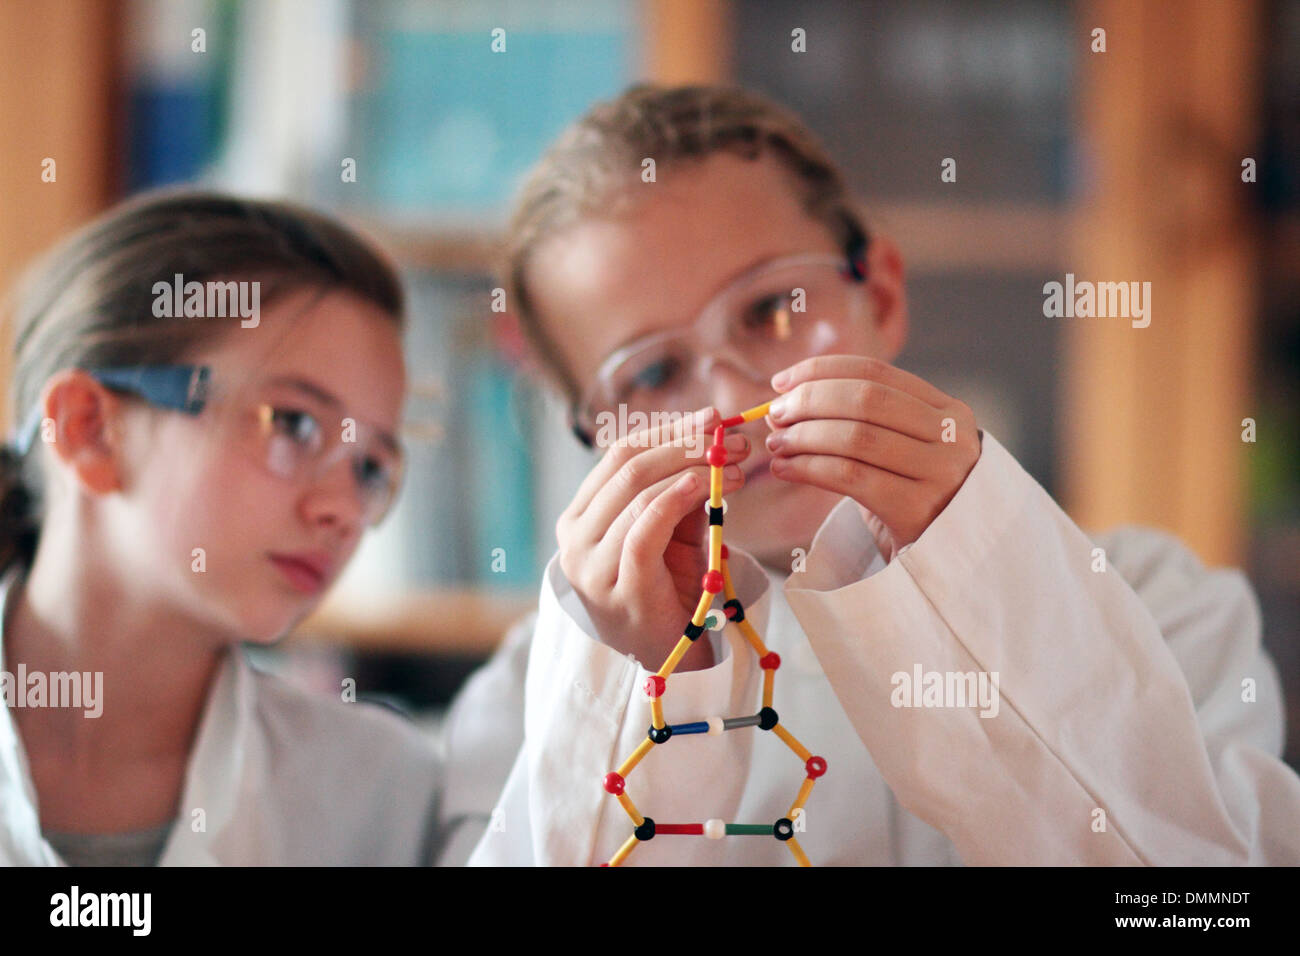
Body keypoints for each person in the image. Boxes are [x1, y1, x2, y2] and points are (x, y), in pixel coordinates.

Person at [443, 83, 1300, 865]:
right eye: (655, 375)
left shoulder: (1161, 606)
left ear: (881, 296)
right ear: (599, 435)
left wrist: (984, 578)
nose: (736, 393)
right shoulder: (532, 703)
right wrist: (649, 684)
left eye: (773, 309)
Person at [0, 189, 448, 865]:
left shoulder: (385, 794)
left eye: (370, 467)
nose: (346, 511)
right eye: (294, 424)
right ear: (89, 428)